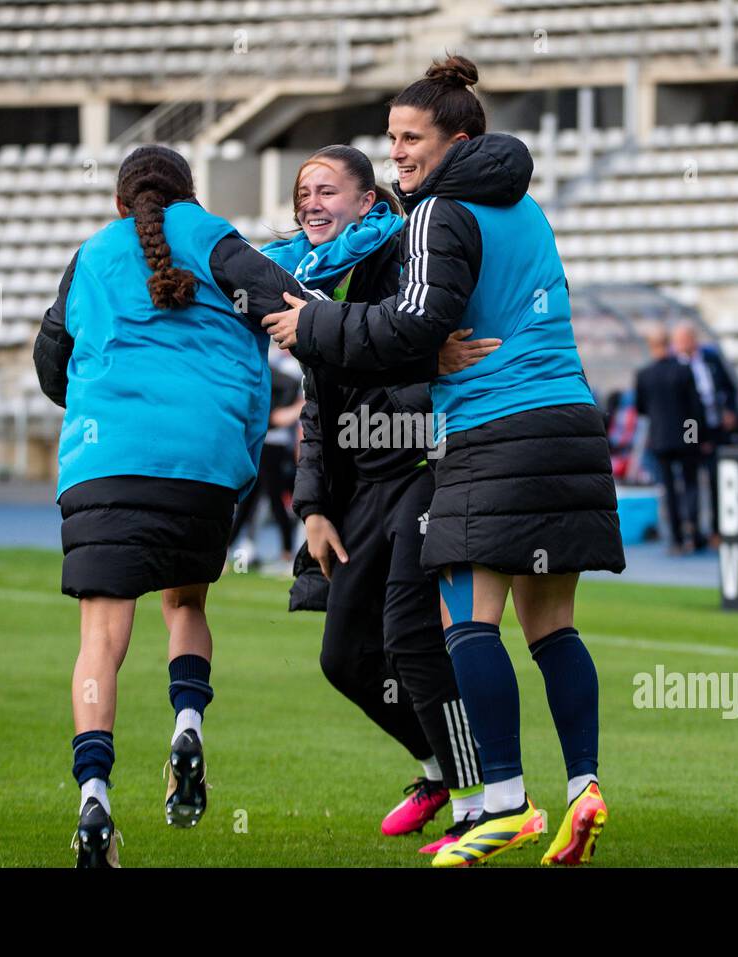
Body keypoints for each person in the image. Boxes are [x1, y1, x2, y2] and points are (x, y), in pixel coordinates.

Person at [263, 56, 625, 868]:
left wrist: (312, 327)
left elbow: (414, 327)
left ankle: (500, 803)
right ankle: (584, 785)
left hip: (492, 433)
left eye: (411, 138)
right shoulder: (526, 209)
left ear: (457, 139)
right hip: (569, 423)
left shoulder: (435, 213)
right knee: (554, 629)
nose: (397, 153)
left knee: (463, 624)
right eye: (390, 137)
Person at [33, 145, 326, 867]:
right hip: (199, 462)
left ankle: (94, 797)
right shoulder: (211, 236)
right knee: (185, 605)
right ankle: (186, 723)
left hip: (104, 462)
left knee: (101, 636)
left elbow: (50, 365)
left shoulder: (91, 255)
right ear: (185, 192)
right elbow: (285, 298)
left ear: (120, 199)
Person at [269, 144, 494, 853]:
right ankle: (436, 770)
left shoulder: (404, 257)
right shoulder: (314, 279)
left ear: (368, 202)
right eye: (303, 189)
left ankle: (479, 798)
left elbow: (415, 346)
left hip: (424, 467)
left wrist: (418, 357)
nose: (311, 201)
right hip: (359, 487)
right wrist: (312, 507)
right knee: (344, 658)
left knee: (411, 642)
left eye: (327, 189)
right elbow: (317, 406)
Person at [226, 343, 304, 567]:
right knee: (254, 500)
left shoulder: (288, 369)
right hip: (267, 440)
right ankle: (284, 552)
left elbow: (289, 414)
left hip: (274, 443)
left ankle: (287, 553)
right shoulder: (275, 364)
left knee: (270, 498)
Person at [635, 328, 706, 554]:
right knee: (691, 486)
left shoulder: (644, 375)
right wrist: (697, 438)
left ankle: (676, 539)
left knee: (669, 489)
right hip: (686, 439)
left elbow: (641, 408)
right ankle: (694, 534)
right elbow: (696, 407)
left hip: (661, 440)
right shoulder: (684, 370)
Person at [671, 321, 738, 546]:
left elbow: (729, 388)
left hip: (715, 426)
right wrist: (695, 437)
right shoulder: (674, 367)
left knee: (715, 478)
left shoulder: (710, 360)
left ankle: (717, 529)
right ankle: (693, 528)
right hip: (690, 428)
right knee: (690, 478)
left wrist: (729, 411)